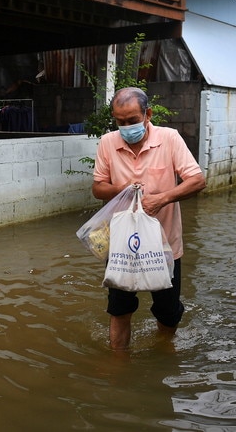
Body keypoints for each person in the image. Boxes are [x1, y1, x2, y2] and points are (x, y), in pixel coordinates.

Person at [92, 87, 205, 350]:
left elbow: (197, 181)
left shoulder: (170, 138)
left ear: (147, 114)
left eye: (132, 121)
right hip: (121, 243)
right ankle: (118, 364)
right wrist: (122, 188)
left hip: (165, 245)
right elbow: (98, 188)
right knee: (119, 309)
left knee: (167, 310)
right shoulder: (107, 143)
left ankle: (163, 353)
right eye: (120, 122)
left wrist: (162, 198)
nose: (126, 127)